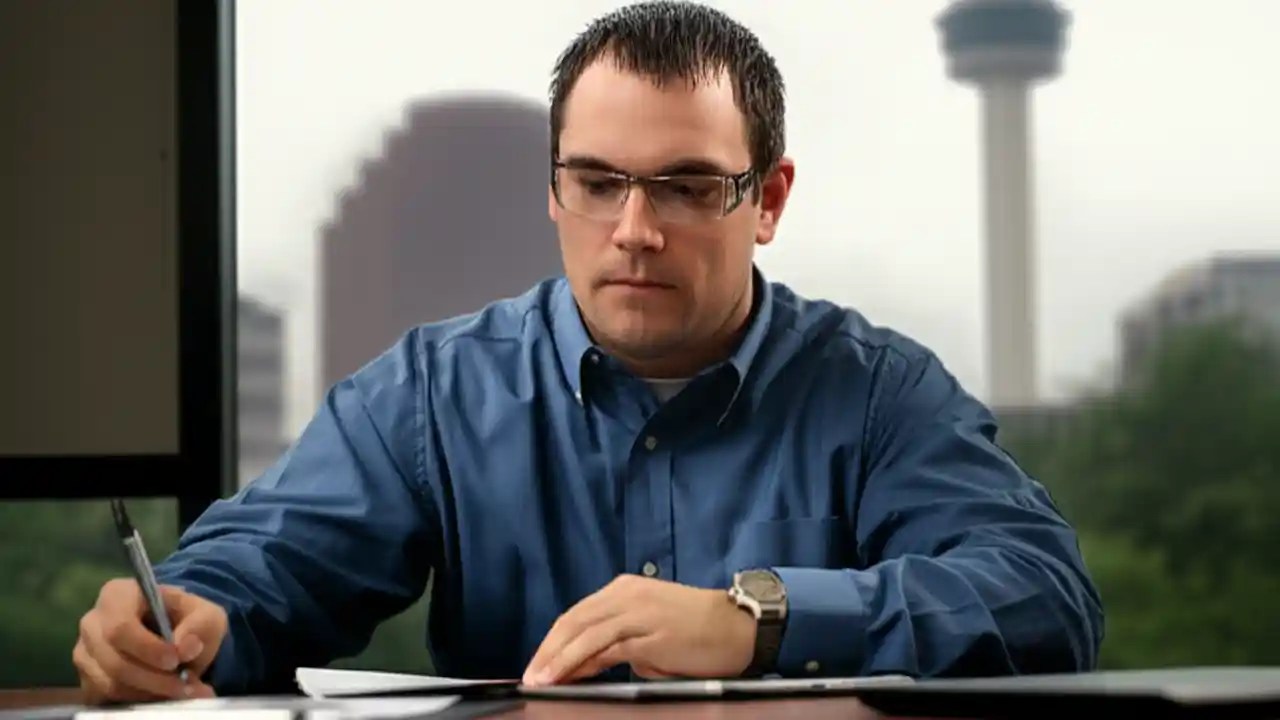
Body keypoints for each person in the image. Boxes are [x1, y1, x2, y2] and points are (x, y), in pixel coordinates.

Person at [72, 0, 1103, 704]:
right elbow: (261, 572)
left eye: (688, 186)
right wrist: (182, 619)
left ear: (769, 200)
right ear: (553, 188)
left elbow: (1042, 598)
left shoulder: (875, 392)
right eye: (597, 182)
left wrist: (763, 619)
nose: (634, 229)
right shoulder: (438, 391)